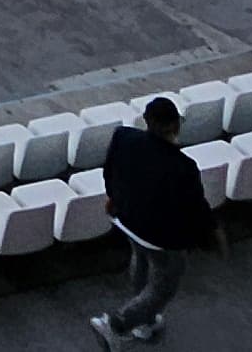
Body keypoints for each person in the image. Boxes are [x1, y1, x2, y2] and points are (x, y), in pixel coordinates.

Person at [92, 97, 217, 342]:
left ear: (146, 121)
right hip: (160, 236)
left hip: (126, 220)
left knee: (140, 260)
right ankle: (118, 323)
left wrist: (113, 197)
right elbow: (196, 208)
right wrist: (211, 234)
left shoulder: (123, 137)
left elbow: (110, 170)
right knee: (163, 286)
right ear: (175, 126)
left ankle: (145, 321)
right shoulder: (184, 166)